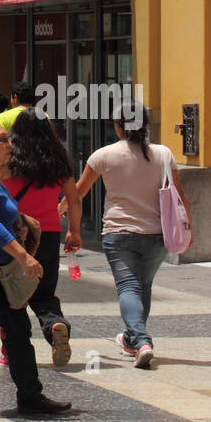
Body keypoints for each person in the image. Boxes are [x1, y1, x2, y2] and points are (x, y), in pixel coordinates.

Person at [0, 118, 72, 417]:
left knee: (18, 330)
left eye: (8, 139)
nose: (10, 145)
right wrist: (24, 256)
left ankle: (31, 396)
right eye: (2, 140)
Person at [73, 104, 192, 369]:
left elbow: (78, 193)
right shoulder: (163, 154)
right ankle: (131, 338)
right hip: (157, 234)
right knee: (143, 286)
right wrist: (188, 228)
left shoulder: (102, 155)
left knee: (129, 287)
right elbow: (179, 194)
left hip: (119, 233)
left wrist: (65, 212)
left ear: (117, 126)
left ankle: (142, 340)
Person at [2, 108, 81, 368]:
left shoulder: (7, 160)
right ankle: (55, 324)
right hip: (47, 233)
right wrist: (75, 230)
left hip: (15, 234)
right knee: (44, 292)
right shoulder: (59, 161)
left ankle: (8, 350)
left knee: (11, 295)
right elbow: (74, 199)